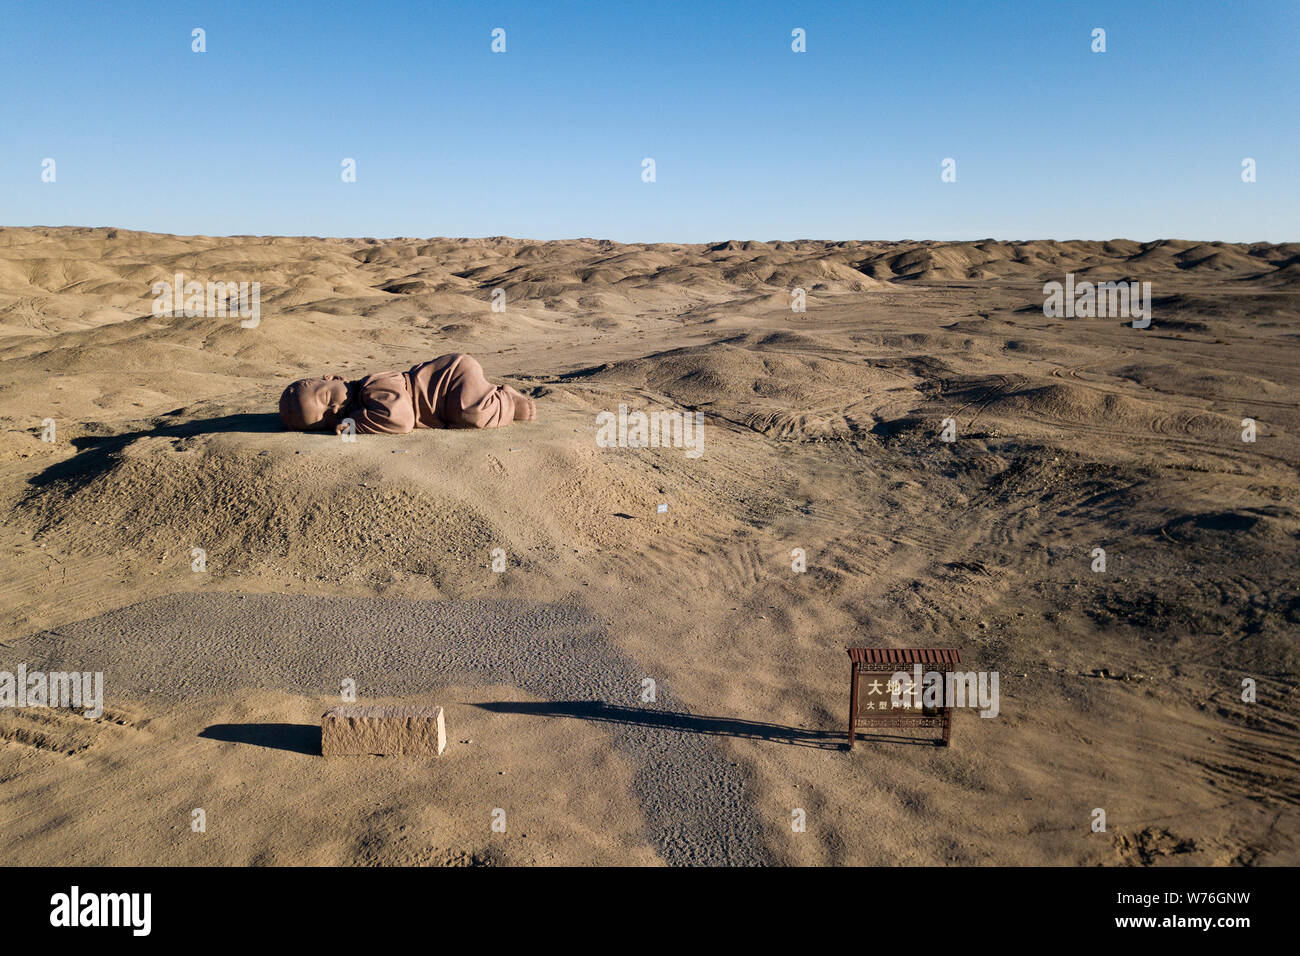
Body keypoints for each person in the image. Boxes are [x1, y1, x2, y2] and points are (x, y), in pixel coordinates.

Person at [279, 353, 535, 434]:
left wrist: (355, 424)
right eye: (325, 418)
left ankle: (509, 400)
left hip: (451, 378)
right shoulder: (360, 404)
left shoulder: (372, 387)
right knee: (462, 420)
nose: (334, 410)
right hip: (444, 408)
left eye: (326, 400)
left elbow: (400, 419)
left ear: (334, 378)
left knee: (473, 414)